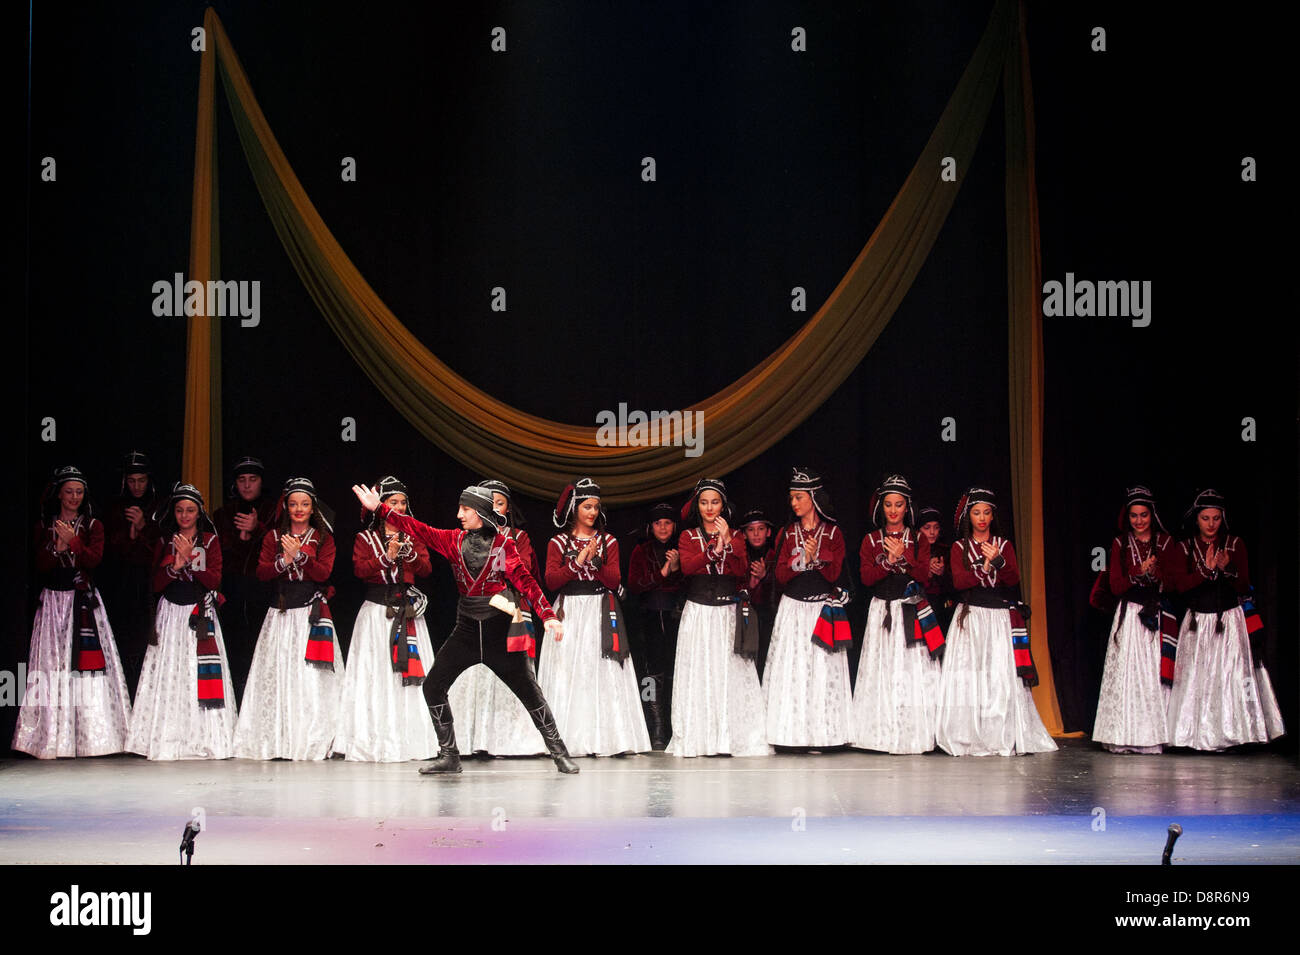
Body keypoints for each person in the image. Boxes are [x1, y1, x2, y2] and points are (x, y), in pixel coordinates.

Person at [352, 481, 579, 774]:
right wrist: (381, 509)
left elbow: (525, 580)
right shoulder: (452, 540)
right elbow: (417, 528)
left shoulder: (503, 545)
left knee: (530, 692)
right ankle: (450, 755)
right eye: (460, 508)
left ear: (482, 512)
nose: (459, 514)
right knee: (433, 686)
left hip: (499, 633)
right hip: (467, 631)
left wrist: (548, 615)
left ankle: (559, 753)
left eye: (466, 509)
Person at [12, 466, 132, 758]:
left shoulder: (92, 525)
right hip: (54, 601)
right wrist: (56, 547)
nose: (74, 497)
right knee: (52, 665)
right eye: (69, 491)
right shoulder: (44, 524)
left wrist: (74, 543)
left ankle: (92, 737)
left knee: (85, 667)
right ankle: (52, 736)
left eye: (79, 492)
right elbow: (40, 565)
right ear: (59, 494)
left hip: (82, 601)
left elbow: (94, 559)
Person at [933, 487, 1056, 756]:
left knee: (997, 677)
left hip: (998, 618)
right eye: (976, 513)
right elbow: (959, 581)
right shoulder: (958, 547)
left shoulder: (1003, 545)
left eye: (986, 513)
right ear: (969, 517)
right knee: (969, 675)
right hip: (971, 616)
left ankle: (997, 733)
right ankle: (965, 735)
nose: (981, 518)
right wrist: (985, 569)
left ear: (992, 516)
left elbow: (1013, 579)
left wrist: (998, 561)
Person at [1162, 489, 1285, 750]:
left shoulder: (1235, 544)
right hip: (1197, 623)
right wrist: (1205, 571)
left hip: (1228, 621)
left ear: (1223, 519)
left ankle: (1233, 734)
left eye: (1216, 518)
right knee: (1196, 679)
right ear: (1197, 519)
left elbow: (1244, 586)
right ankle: (1191, 736)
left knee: (1231, 678)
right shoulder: (1184, 547)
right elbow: (1177, 586)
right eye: (1205, 518)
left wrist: (1228, 568)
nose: (1210, 524)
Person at [232, 478, 342, 760]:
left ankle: (310, 738)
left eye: (304, 504)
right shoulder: (272, 537)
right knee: (276, 675)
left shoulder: (323, 538)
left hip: (309, 614)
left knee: (310, 680)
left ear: (312, 507)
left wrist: (300, 557)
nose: (299, 509)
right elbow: (262, 572)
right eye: (293, 504)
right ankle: (277, 739)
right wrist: (284, 560)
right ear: (286, 507)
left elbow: (323, 573)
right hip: (280, 614)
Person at [126, 483, 238, 759]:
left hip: (199, 613)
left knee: (198, 672)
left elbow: (214, 579)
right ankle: (169, 737)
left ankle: (205, 738)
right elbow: (155, 583)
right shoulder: (166, 541)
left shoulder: (210, 540)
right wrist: (175, 566)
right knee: (172, 671)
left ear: (199, 512)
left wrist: (191, 561)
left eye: (190, 510)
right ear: (173, 513)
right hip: (171, 614)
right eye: (180, 511)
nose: (185, 516)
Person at [541, 478, 650, 756]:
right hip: (570, 610)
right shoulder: (558, 542)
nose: (592, 512)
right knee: (569, 671)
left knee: (603, 670)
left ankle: (610, 738)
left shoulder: (608, 540)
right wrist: (576, 563)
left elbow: (614, 580)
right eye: (587, 506)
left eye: (595, 507)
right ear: (574, 508)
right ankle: (567, 738)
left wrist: (595, 562)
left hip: (601, 609)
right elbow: (552, 581)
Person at [334, 476, 440, 761]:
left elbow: (427, 569)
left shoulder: (414, 535)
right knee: (375, 675)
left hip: (406, 611)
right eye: (394, 502)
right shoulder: (364, 538)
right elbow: (359, 570)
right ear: (380, 506)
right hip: (375, 614)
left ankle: (413, 739)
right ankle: (376, 737)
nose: (400, 507)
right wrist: (386, 557)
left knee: (410, 676)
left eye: (403, 503)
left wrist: (409, 556)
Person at [666, 478, 770, 758]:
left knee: (729, 673)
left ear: (723, 505)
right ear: (697, 506)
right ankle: (699, 738)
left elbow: (740, 570)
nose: (709, 508)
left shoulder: (736, 535)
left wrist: (729, 542)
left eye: (715, 502)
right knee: (699, 673)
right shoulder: (688, 536)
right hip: (699, 611)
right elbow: (688, 567)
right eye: (704, 502)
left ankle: (729, 737)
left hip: (727, 612)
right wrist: (716, 546)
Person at [445, 479, 545, 757]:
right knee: (479, 677)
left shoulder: (517, 539)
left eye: (500, 503)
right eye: (491, 503)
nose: (495, 508)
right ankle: (476, 740)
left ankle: (512, 741)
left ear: (506, 508)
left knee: (515, 677)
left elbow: (518, 571)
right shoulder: (465, 538)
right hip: (478, 614)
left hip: (510, 612)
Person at [851, 474, 944, 754]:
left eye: (899, 505)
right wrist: (889, 561)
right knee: (882, 670)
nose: (893, 510)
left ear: (907, 508)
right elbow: (866, 578)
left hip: (910, 608)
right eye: (889, 505)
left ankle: (913, 733)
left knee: (911, 672)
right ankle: (879, 734)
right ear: (881, 507)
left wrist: (904, 558)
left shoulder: (918, 539)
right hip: (882, 610)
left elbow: (923, 575)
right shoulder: (870, 540)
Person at [765, 468, 853, 749]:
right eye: (791, 498)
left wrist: (819, 557)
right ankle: (790, 734)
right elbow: (778, 576)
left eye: (799, 497)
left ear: (814, 498)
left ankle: (824, 735)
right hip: (793, 609)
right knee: (794, 671)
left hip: (821, 610)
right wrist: (801, 561)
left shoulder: (834, 533)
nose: (794, 503)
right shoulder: (787, 533)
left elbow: (837, 574)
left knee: (822, 671)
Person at [1090, 486, 1176, 754]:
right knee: (1128, 676)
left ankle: (1153, 738)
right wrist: (1138, 572)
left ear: (1153, 515)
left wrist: (1157, 572)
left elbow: (1174, 583)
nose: (1139, 521)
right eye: (1134, 516)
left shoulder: (1165, 543)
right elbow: (1115, 586)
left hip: (1156, 616)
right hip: (1129, 616)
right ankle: (1123, 735)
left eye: (1144, 515)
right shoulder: (1119, 544)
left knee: (1152, 676)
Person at [213, 456, 275, 702]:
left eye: (253, 479)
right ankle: (236, 705)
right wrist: (242, 536)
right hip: (233, 594)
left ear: (261, 482)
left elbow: (278, 549)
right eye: (242, 480)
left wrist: (257, 528)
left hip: (264, 594)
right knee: (234, 653)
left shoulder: (273, 511)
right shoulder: (222, 514)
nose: (247, 485)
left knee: (263, 652)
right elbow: (222, 554)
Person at [103, 450, 161, 697]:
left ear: (149, 480)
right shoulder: (115, 508)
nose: (137, 487)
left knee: (148, 641)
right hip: (122, 584)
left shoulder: (160, 506)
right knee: (123, 641)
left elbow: (160, 548)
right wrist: (130, 536)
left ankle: (146, 694)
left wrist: (142, 528)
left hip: (149, 587)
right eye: (132, 481)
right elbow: (111, 550)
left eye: (142, 481)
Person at [627, 502, 683, 749]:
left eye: (667, 523)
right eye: (658, 523)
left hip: (676, 616)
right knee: (651, 674)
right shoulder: (641, 550)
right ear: (651, 526)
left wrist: (678, 569)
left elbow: (690, 584)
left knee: (675, 670)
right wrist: (662, 572)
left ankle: (676, 725)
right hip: (648, 617)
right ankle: (656, 726)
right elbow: (634, 585)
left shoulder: (682, 548)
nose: (663, 527)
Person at [737, 509, 778, 678]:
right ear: (744, 534)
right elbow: (736, 586)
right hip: (746, 618)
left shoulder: (776, 555)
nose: (756, 534)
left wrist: (765, 577)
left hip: (771, 616)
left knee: (769, 659)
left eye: (760, 529)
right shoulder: (740, 556)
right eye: (751, 530)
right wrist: (751, 585)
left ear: (768, 532)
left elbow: (783, 584)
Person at [916, 504, 954, 632]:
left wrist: (942, 573)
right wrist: (926, 570)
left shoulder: (946, 550)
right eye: (927, 528)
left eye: (936, 528)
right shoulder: (912, 550)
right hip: (917, 606)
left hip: (941, 608)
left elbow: (954, 585)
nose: (932, 532)